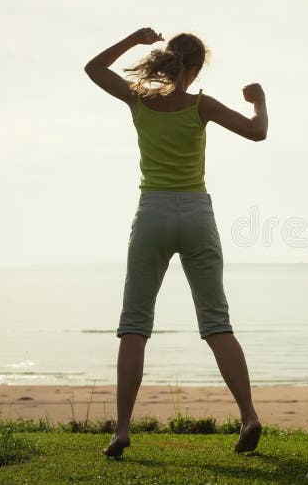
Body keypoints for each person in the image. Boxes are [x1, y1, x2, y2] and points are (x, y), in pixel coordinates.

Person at [84, 27, 268, 456]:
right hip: (196, 213)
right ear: (198, 67)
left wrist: (134, 39)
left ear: (167, 60)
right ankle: (249, 416)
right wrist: (259, 101)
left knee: (134, 325)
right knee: (217, 322)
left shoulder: (140, 99)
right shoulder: (201, 105)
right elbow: (257, 132)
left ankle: (122, 430)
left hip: (152, 213)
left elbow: (93, 68)